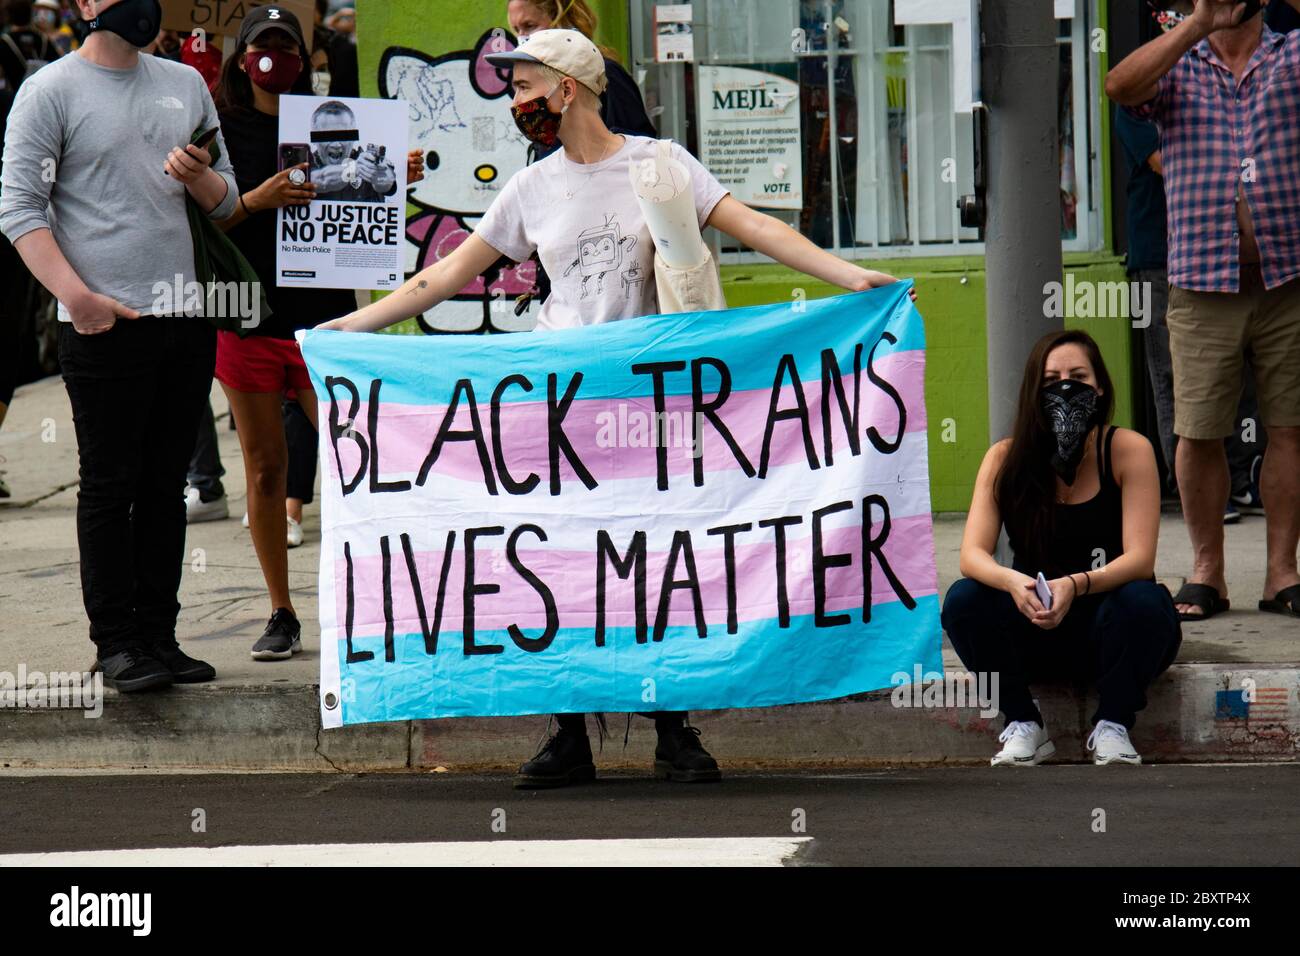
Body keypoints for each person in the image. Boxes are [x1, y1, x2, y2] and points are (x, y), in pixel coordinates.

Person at [317, 30, 911, 788]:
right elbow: (444, 277)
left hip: (652, 405)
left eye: (526, 84)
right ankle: (570, 734)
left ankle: (673, 729)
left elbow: (754, 226)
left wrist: (850, 277)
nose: (515, 99)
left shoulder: (660, 166)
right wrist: (345, 333)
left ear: (568, 89)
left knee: (659, 557)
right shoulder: (531, 188)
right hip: (560, 409)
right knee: (567, 561)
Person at [0, 0, 238, 691]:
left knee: (164, 485)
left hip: (185, 315)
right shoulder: (49, 91)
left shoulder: (185, 83)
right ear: (80, 4)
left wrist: (199, 176)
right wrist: (76, 299)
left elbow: (226, 201)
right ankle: (116, 643)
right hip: (102, 324)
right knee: (110, 486)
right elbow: (18, 208)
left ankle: (159, 635)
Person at [209, 4, 423, 660]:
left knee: (359, 464)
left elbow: (361, 202)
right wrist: (254, 201)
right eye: (261, 43)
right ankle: (281, 610)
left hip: (327, 322)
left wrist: (394, 185)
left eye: (286, 43)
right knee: (266, 468)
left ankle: (372, 603)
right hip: (248, 320)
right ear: (239, 56)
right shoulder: (217, 131)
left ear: (307, 57)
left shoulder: (336, 127)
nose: (274, 54)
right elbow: (197, 226)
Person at [1106, 0, 1300, 622]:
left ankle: (1282, 574)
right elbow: (1118, 86)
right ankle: (1207, 572)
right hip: (1199, 282)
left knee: (1290, 429)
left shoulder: (1290, 55)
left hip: (1287, 277)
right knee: (1198, 431)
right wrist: (1198, 24)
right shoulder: (1177, 64)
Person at [942, 331, 1181, 767]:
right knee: (964, 600)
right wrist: (1014, 583)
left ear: (1101, 386)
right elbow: (972, 555)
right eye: (1052, 379)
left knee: (1146, 600)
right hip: (1034, 624)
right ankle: (1023, 723)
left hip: (1109, 629)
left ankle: (1113, 723)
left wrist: (1077, 583)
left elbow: (1140, 559)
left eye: (1078, 376)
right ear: (1034, 390)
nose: (1065, 388)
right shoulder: (1004, 459)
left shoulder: (1128, 449)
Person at [506, 0, 657, 161]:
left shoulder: (604, 73)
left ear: (562, 21)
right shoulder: (532, 177)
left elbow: (638, 149)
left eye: (529, 26)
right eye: (517, 30)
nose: (522, 37)